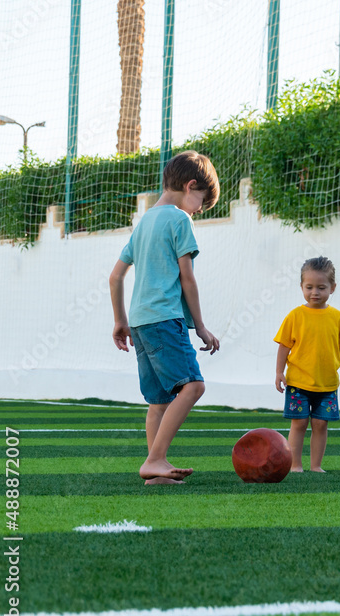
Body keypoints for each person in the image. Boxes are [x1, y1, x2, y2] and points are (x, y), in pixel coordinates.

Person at [109, 150, 221, 484]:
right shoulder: (179, 219)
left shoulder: (144, 222)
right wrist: (200, 327)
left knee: (159, 400)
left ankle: (156, 470)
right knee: (194, 386)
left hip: (140, 322)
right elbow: (188, 279)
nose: (199, 210)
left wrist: (120, 321)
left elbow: (115, 277)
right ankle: (155, 459)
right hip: (165, 320)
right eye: (202, 201)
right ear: (190, 186)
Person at [274, 256, 340, 473]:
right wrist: (279, 372)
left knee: (321, 424)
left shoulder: (337, 317)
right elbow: (284, 346)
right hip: (298, 383)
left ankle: (316, 466)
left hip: (327, 384)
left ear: (333, 288)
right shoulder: (295, 316)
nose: (315, 292)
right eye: (309, 287)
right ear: (301, 286)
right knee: (299, 423)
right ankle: (295, 465)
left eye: (321, 288)